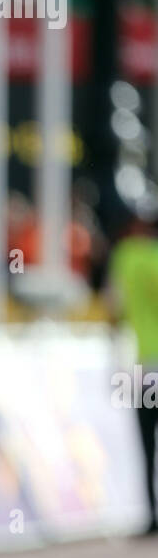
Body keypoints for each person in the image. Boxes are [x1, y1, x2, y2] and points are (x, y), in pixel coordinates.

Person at [107, 212, 158, 534]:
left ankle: (152, 515)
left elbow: (114, 306)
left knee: (146, 445)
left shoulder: (125, 255)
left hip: (142, 367)